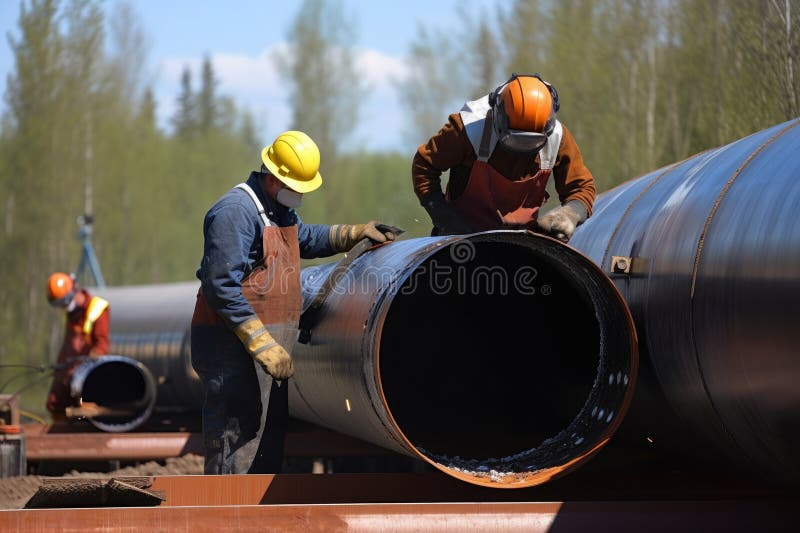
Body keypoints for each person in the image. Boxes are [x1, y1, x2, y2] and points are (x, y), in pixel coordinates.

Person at [191, 130, 396, 475]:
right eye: (296, 186)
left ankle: (257, 522)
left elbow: (304, 238)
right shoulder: (236, 211)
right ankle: (227, 519)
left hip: (263, 349)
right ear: (273, 177)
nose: (300, 193)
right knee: (236, 441)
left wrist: (354, 232)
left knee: (265, 441)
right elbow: (220, 286)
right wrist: (261, 343)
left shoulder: (276, 210)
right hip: (232, 348)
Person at [412, 73, 595, 242]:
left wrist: (570, 214)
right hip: (460, 240)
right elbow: (424, 165)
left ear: (546, 128)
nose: (522, 150)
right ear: (499, 119)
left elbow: (581, 187)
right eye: (515, 140)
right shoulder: (467, 129)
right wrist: (446, 220)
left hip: (522, 243)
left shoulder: (558, 137)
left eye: (531, 143)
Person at [45, 272, 110, 420]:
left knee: (82, 407)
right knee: (54, 403)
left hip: (87, 372)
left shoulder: (98, 308)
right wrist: (59, 368)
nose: (63, 307)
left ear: (74, 291)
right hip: (69, 369)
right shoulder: (73, 313)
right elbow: (69, 344)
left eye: (64, 302)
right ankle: (59, 438)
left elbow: (102, 345)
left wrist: (86, 363)